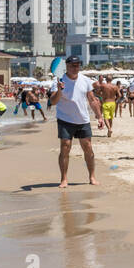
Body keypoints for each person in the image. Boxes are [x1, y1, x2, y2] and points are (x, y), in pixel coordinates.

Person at [48, 56, 101, 187]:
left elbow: (92, 99)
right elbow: (53, 101)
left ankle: (92, 176)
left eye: (77, 65)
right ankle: (64, 179)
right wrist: (60, 89)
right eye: (72, 65)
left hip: (82, 119)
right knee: (65, 147)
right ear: (66, 66)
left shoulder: (85, 80)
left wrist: (99, 116)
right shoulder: (59, 81)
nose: (75, 68)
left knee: (88, 148)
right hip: (65, 119)